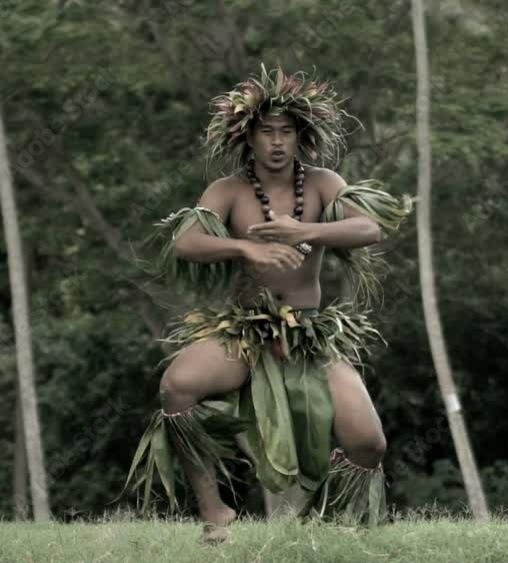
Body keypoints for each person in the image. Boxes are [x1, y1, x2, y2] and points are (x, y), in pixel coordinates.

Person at [123, 64, 412, 543]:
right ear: (248, 138)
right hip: (245, 329)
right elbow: (186, 242)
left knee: (368, 442)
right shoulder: (229, 191)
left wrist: (306, 231)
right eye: (267, 132)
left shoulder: (322, 183)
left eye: (286, 132)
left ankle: (330, 525)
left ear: (301, 137)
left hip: (309, 332)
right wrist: (245, 248)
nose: (277, 142)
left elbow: (369, 229)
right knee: (177, 387)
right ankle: (215, 513)